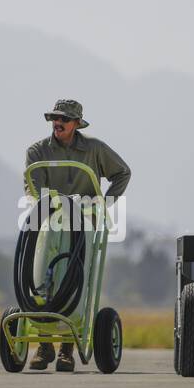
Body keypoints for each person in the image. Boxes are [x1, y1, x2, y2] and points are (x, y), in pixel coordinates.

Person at [24, 99, 130, 372]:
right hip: (49, 222)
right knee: (43, 279)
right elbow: (31, 186)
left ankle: (67, 351)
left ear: (76, 124)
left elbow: (122, 173)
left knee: (75, 280)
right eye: (55, 118)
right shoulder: (38, 150)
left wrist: (104, 204)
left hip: (84, 224)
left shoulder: (94, 149)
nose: (58, 123)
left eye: (64, 119)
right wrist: (44, 204)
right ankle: (44, 346)